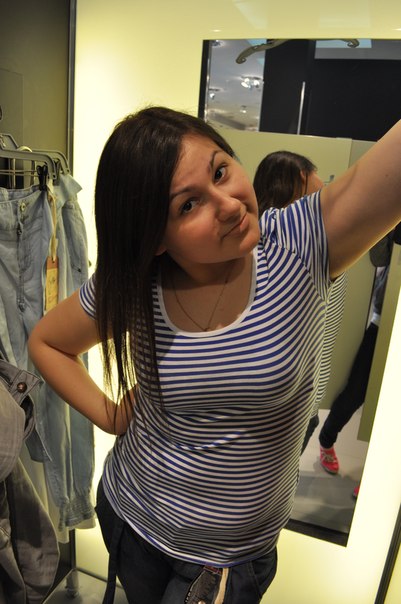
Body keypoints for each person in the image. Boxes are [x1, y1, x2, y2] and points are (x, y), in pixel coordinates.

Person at [27, 106, 401, 604]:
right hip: (132, 516)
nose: (228, 205)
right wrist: (111, 416)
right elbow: (47, 342)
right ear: (154, 239)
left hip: (224, 561)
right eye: (188, 205)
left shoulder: (299, 241)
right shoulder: (135, 281)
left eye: (221, 171)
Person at [253, 150, 347, 453]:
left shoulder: (322, 249)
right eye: (312, 201)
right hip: (282, 409)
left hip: (305, 401)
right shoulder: (278, 249)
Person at [318, 224, 401, 480]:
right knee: (356, 391)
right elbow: (379, 258)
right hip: (385, 317)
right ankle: (327, 439)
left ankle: (377, 475)